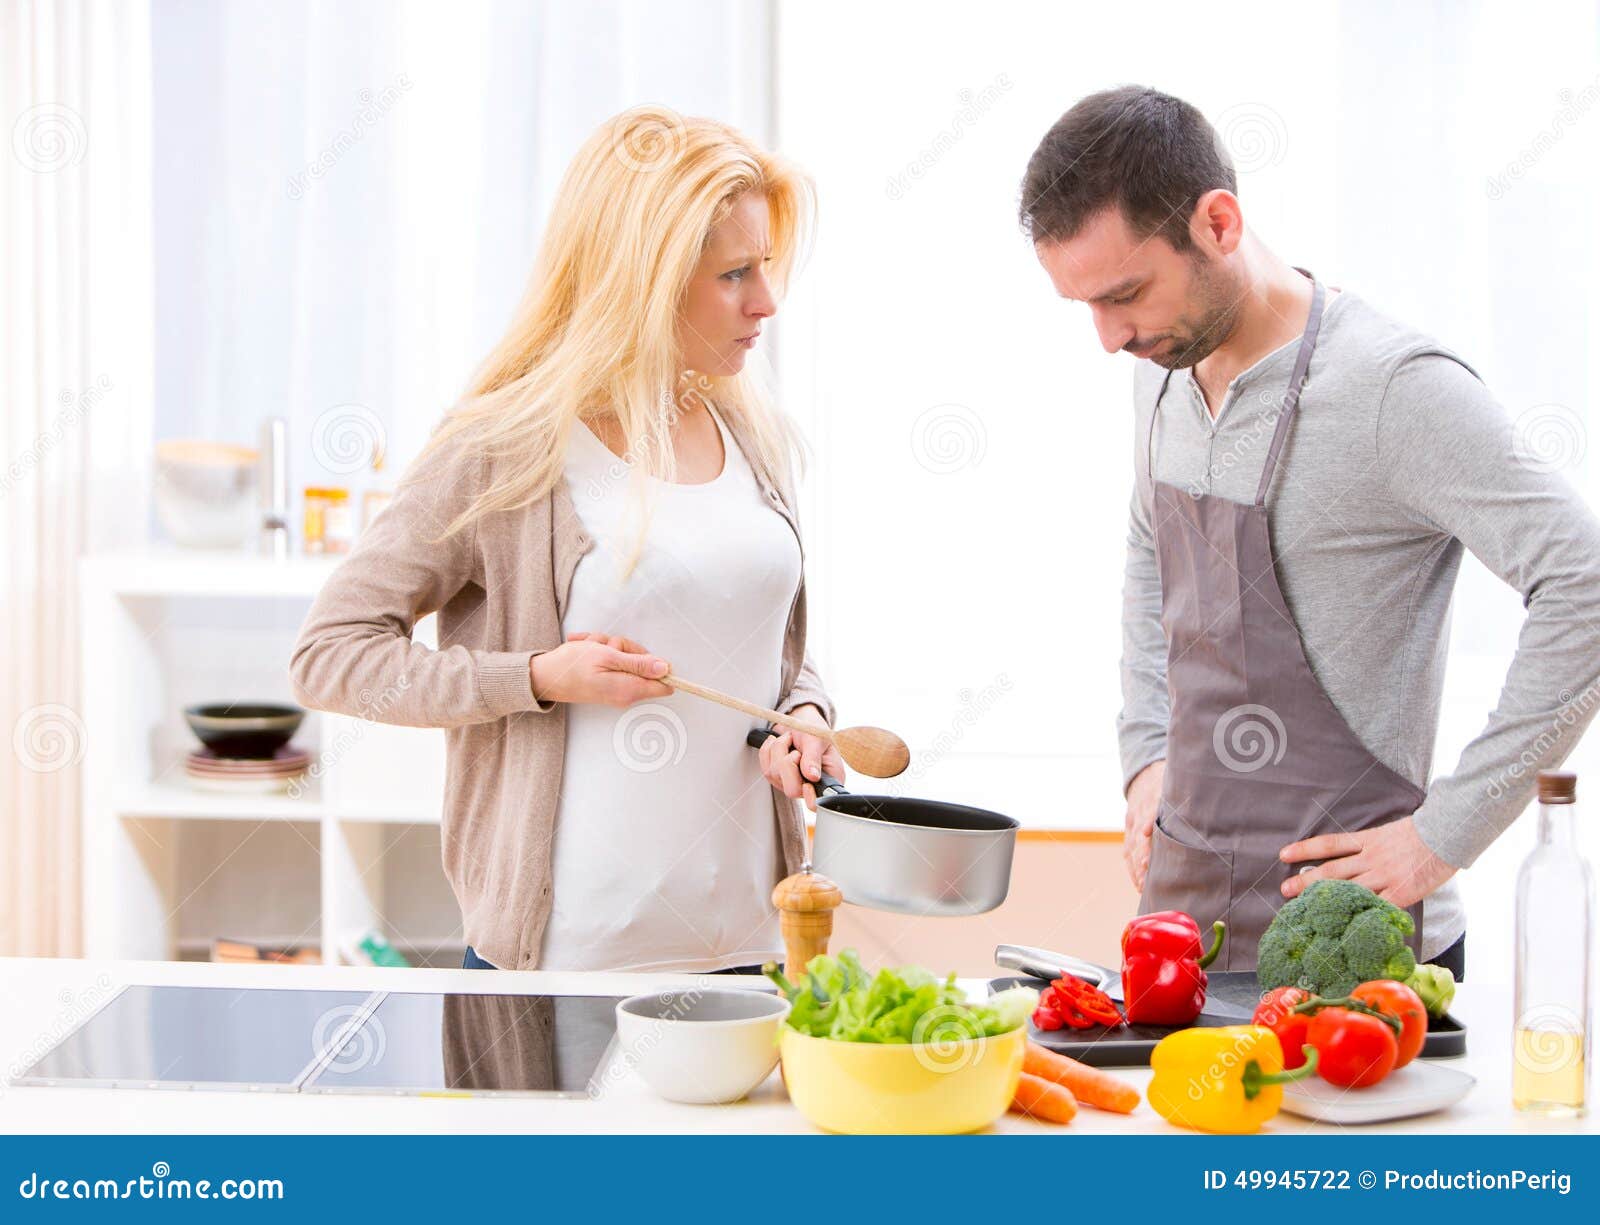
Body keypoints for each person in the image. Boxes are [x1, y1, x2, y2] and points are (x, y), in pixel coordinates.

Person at [1018, 85, 1600, 976]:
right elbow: (1149, 551)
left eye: (1126, 293)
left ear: (1217, 223)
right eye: (1085, 305)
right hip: (1185, 939)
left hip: (1362, 959)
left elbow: (1584, 582)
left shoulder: (1393, 389)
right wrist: (1146, 757)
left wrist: (1446, 834)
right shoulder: (1161, 363)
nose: (1107, 337)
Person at [290, 105, 841, 974]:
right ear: (643, 278)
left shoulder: (752, 437)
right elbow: (329, 654)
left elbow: (772, 647)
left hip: (750, 950)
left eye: (765, 266)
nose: (767, 302)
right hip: (565, 964)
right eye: (736, 273)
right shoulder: (502, 448)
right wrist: (537, 678)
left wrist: (805, 712)